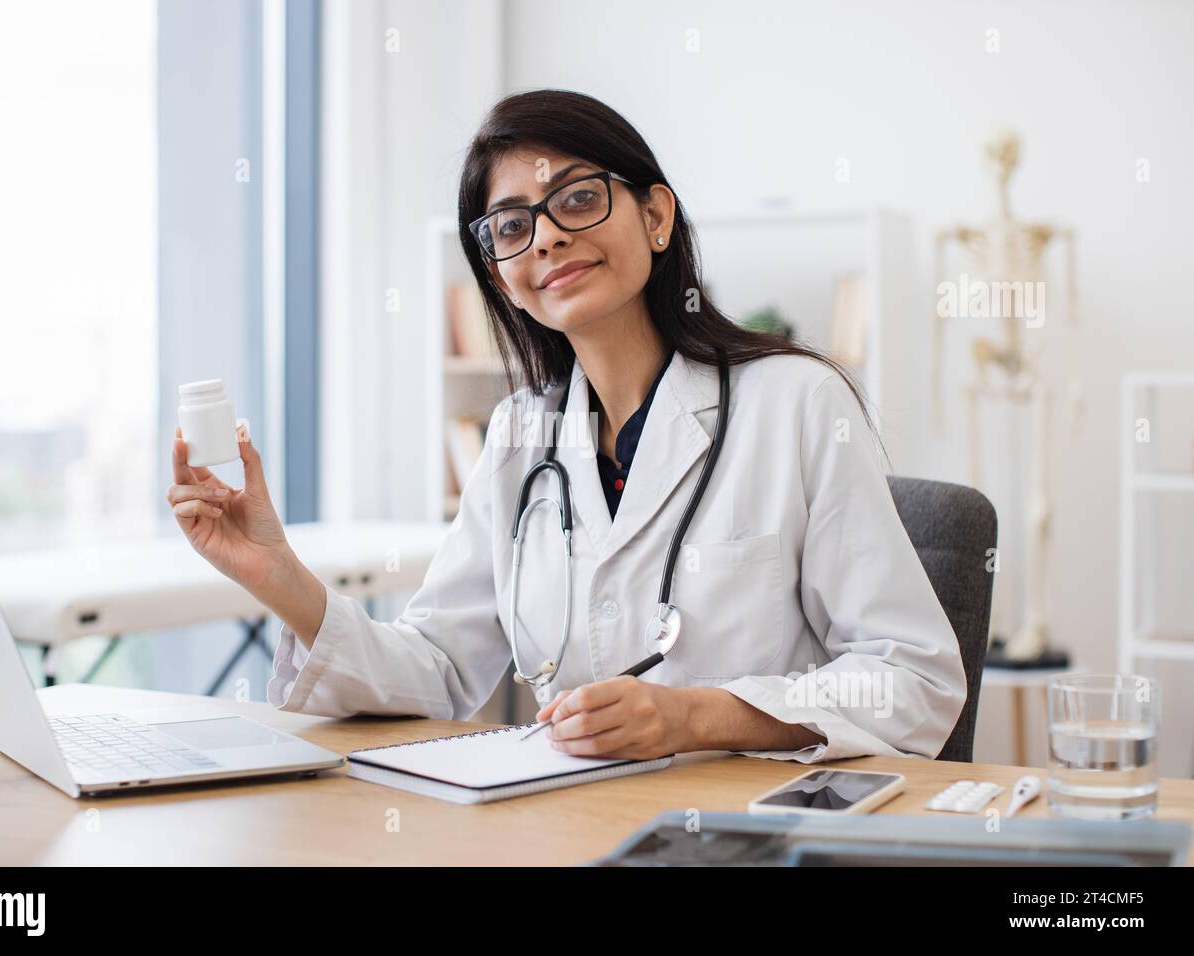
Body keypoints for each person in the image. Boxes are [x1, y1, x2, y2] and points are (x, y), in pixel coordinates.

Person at [167, 89, 966, 764]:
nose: (545, 236)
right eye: (511, 227)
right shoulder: (520, 435)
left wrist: (695, 716)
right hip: (570, 822)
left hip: (751, 827)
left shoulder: (795, 403)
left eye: (578, 198)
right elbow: (441, 670)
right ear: (502, 279)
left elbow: (911, 678)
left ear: (656, 216)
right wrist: (279, 578)